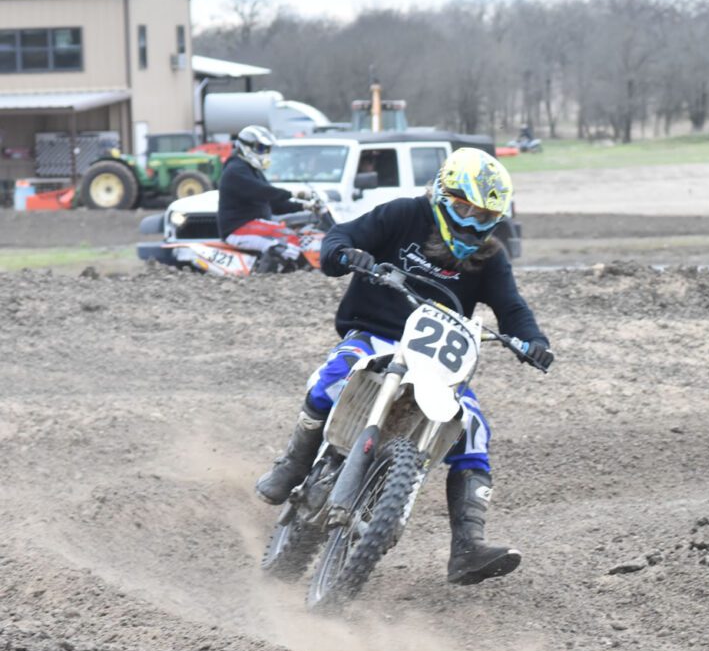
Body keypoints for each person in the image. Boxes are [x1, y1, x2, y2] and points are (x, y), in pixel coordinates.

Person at [253, 147, 555, 586]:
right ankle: (294, 465)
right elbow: (339, 237)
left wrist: (534, 341)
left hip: (435, 361)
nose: (472, 223)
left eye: (484, 215)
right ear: (442, 193)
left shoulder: (489, 255)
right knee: (330, 381)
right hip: (374, 335)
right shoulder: (403, 215)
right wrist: (346, 255)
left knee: (474, 428)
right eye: (464, 208)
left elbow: (512, 307)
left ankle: (467, 546)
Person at [218, 125, 311, 270]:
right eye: (262, 149)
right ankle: (270, 279)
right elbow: (262, 191)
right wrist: (293, 193)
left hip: (252, 225)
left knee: (296, 235)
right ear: (247, 147)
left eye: (268, 150)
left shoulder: (253, 170)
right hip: (238, 228)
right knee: (286, 236)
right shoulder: (235, 170)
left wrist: (303, 206)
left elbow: (275, 204)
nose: (266, 153)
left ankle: (292, 272)